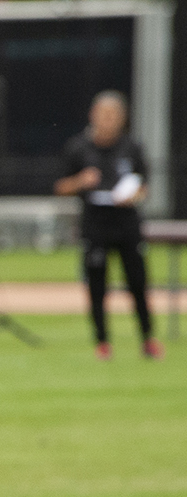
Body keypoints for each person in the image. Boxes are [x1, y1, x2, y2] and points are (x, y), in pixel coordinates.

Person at [55, 91, 159, 361]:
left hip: (126, 223)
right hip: (95, 224)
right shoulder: (78, 148)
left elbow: (144, 185)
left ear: (122, 119)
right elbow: (61, 187)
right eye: (103, 114)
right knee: (97, 285)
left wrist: (134, 195)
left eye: (113, 116)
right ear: (93, 115)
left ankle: (148, 338)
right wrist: (81, 181)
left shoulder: (131, 147)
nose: (108, 121)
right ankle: (102, 342)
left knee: (137, 282)